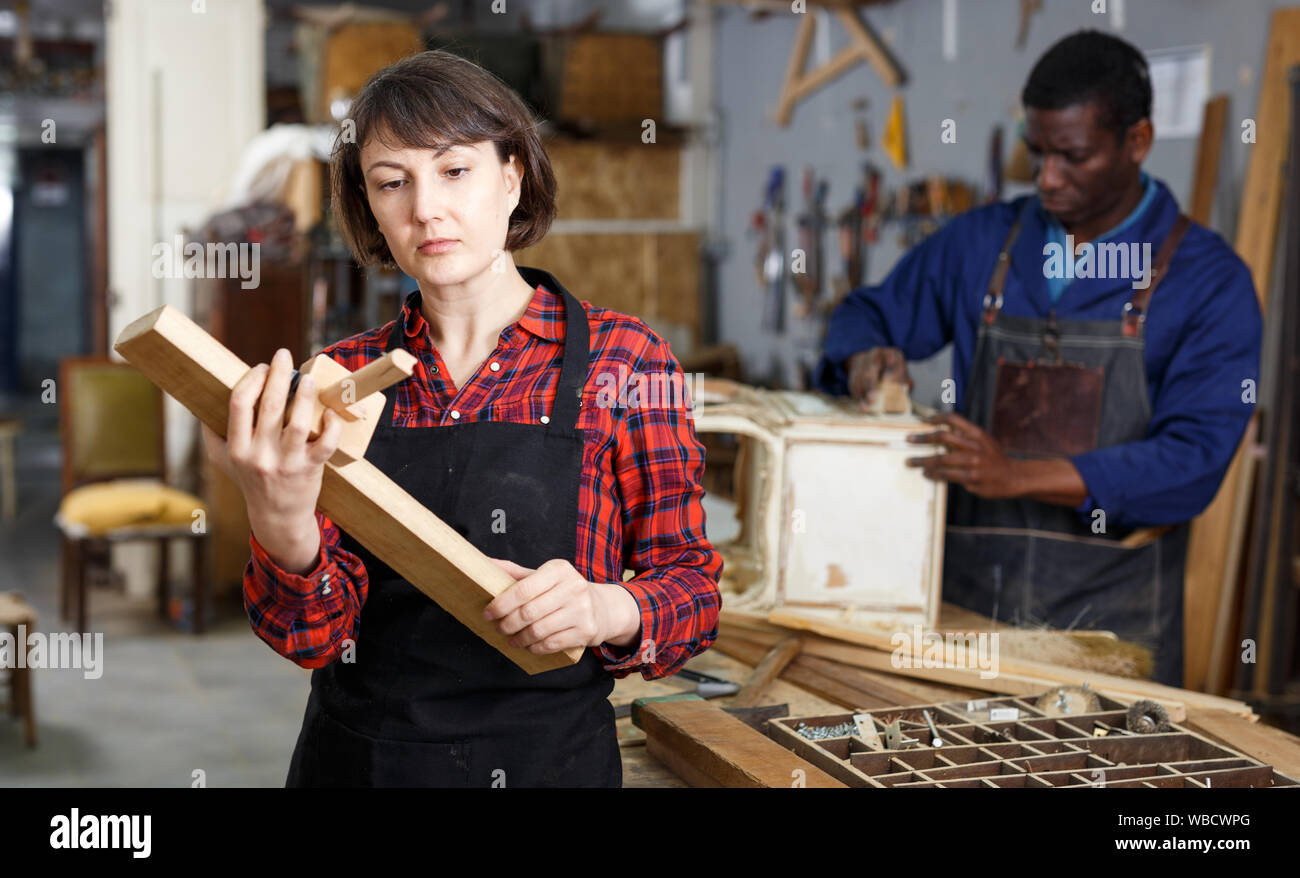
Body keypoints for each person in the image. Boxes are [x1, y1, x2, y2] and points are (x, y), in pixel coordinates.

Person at [202, 50, 722, 787]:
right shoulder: (341, 383)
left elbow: (694, 592)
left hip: (549, 762)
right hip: (363, 763)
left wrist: (607, 608)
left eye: (454, 171)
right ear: (372, 210)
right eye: (392, 183)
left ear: (511, 176)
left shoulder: (627, 361)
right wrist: (279, 520)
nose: (425, 208)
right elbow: (311, 638)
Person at [815, 31, 1260, 687]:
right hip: (964, 603)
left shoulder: (1209, 280)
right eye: (1037, 152)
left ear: (1137, 142)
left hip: (1112, 628)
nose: (1047, 178)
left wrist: (1017, 475)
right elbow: (867, 312)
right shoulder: (982, 241)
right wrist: (864, 357)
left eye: (1072, 156)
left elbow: (1191, 463)